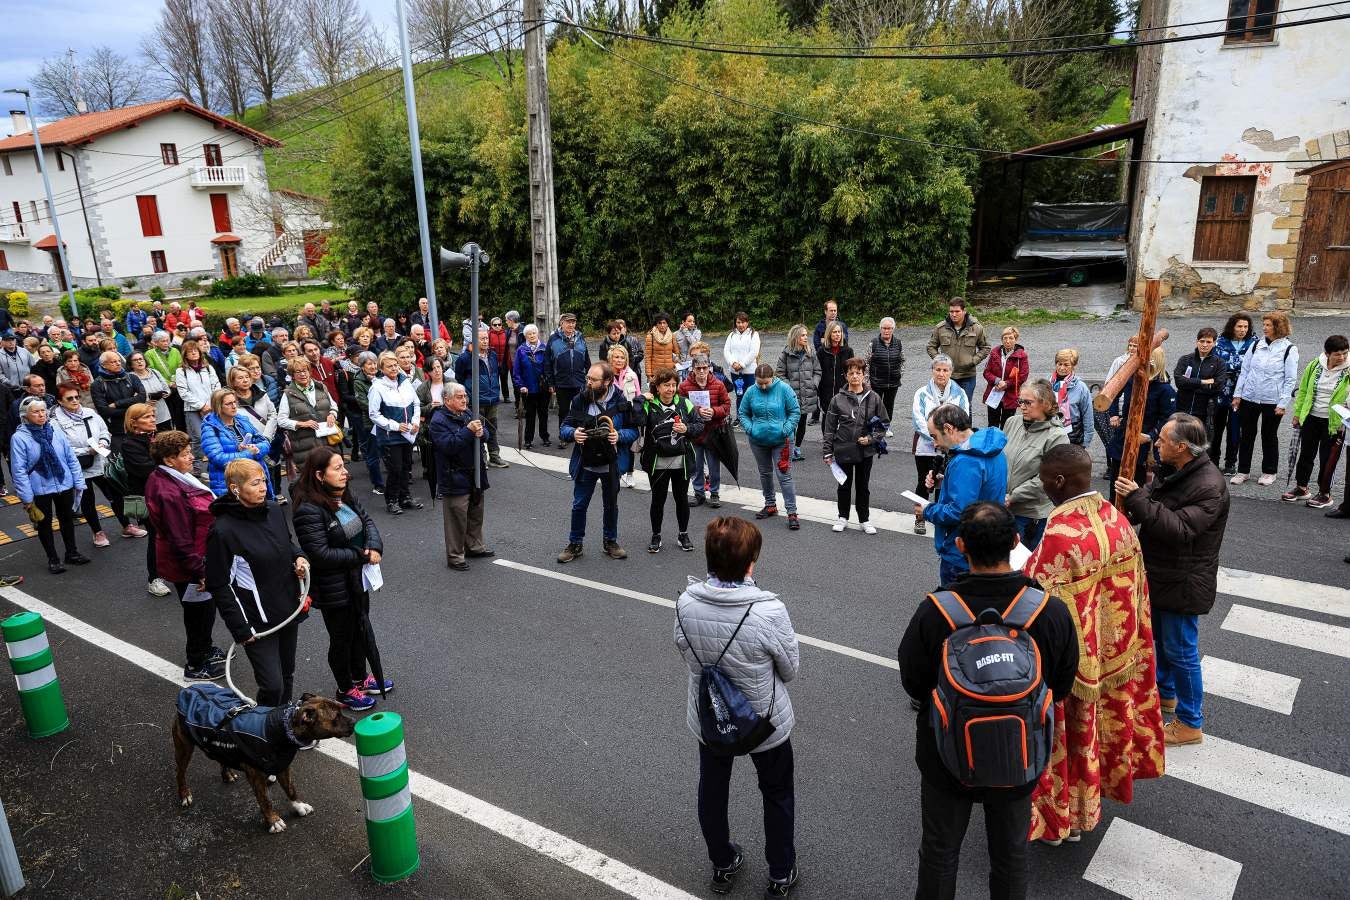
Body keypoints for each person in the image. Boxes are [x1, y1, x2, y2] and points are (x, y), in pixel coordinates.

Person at [898, 502, 1077, 900]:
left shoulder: (936, 611)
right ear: (1016, 541)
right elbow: (1061, 686)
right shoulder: (1048, 612)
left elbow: (913, 682)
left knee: (940, 853)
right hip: (1019, 753)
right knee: (1011, 856)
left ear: (960, 545)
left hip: (946, 755)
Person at [1025, 444, 1165, 844]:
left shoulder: (1060, 534)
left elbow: (1035, 594)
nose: (1043, 488)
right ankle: (1087, 811)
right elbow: (1138, 596)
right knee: (1095, 739)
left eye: (1044, 482)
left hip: (1074, 668)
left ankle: (1059, 822)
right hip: (1115, 657)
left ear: (1058, 481)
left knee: (1066, 744)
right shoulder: (1117, 519)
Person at [674, 516, 800, 899]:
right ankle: (780, 872)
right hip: (764, 720)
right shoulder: (768, 610)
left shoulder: (685, 602)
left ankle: (723, 861)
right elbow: (790, 669)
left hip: (711, 716)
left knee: (712, 789)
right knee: (776, 793)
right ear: (750, 563)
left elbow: (686, 652)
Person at [1117, 413, 1230, 746]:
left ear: (1182, 447)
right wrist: (1134, 498)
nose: (1157, 442)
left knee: (1181, 650)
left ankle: (1190, 722)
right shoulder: (1175, 469)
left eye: (1163, 440)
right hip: (1163, 572)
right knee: (1163, 644)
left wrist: (1136, 497)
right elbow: (1148, 502)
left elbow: (1179, 530)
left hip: (1185, 579)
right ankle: (1166, 695)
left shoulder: (1209, 485)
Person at [206, 459, 310, 708]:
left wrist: (299, 557)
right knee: (272, 685)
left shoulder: (274, 510)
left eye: (263, 480)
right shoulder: (223, 531)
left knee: (287, 674)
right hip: (256, 621)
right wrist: (241, 629)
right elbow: (219, 584)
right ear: (235, 489)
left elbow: (288, 544)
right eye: (255, 483)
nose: (264, 487)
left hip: (287, 608)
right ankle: (264, 730)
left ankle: (283, 726)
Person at [292, 446, 389, 710]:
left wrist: (374, 548)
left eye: (343, 466)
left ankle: (360, 677)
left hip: (357, 580)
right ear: (320, 475)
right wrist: (361, 555)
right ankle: (345, 688)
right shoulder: (308, 510)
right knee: (342, 638)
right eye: (337, 468)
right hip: (333, 587)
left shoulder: (343, 494)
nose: (345, 472)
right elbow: (320, 554)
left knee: (360, 628)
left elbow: (367, 521)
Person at [144, 430, 225, 680]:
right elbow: (180, 539)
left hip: (197, 559)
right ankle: (195, 663)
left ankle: (205, 649)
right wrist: (199, 571)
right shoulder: (169, 492)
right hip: (190, 565)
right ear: (169, 460)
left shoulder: (174, 478)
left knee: (206, 610)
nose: (192, 457)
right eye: (186, 454)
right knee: (197, 613)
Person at [917, 404, 1008, 586]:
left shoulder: (966, 461)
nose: (934, 443)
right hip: (989, 545)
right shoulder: (993, 451)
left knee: (955, 610)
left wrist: (927, 510)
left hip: (962, 552)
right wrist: (947, 482)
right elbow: (982, 488)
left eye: (934, 436)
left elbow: (959, 512)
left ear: (949, 429)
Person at [557, 362, 639, 563]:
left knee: (611, 505)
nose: (588, 383)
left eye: (593, 380)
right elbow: (564, 427)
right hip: (585, 462)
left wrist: (618, 436)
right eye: (588, 378)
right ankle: (575, 544)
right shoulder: (580, 400)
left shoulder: (621, 402)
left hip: (611, 463)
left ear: (607, 382)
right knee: (579, 505)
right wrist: (573, 433)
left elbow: (634, 432)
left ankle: (610, 541)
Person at [52, 383, 138, 546]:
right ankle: (97, 533)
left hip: (101, 461)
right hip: (80, 466)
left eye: (77, 397)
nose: (75, 401)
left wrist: (103, 442)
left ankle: (127, 525)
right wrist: (86, 450)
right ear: (60, 401)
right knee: (87, 499)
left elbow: (104, 430)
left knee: (116, 495)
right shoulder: (55, 421)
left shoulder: (89, 412)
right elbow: (60, 446)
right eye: (69, 398)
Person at [12, 396, 90, 575]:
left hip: (63, 483)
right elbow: (19, 470)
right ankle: (53, 559)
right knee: (44, 524)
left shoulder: (55, 429)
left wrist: (78, 481)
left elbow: (70, 457)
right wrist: (27, 497)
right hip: (39, 488)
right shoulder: (19, 438)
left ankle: (72, 552)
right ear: (25, 416)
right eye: (36, 412)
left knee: (67, 519)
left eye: (43, 411)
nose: (41, 415)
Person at [1231, 311, 1299, 487]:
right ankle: (1243, 470)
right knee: (1246, 434)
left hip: (1272, 400)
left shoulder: (1289, 349)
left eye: (1269, 325)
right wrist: (1238, 394)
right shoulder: (1255, 345)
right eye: (1265, 325)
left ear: (1278, 327)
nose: (1265, 328)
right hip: (1250, 397)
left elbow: (1290, 379)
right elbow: (1245, 371)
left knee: (1269, 435)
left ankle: (1269, 471)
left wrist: (1283, 403)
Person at [430, 382, 493, 571]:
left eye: (465, 395)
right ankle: (455, 556)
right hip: (454, 476)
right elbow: (449, 445)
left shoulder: (467, 414)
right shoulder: (438, 420)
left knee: (476, 513)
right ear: (447, 400)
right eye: (459, 397)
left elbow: (486, 434)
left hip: (475, 474)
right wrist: (469, 431)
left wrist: (482, 433)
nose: (464, 399)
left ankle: (474, 546)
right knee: (457, 519)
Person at [639, 368, 703, 553]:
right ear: (657, 387)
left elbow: (699, 425)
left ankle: (683, 534)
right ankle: (656, 535)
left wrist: (687, 429)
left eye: (674, 385)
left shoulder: (684, 403)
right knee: (657, 500)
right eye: (666, 385)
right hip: (657, 462)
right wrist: (641, 399)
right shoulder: (649, 405)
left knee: (681, 499)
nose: (671, 389)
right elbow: (635, 419)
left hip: (681, 462)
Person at [822, 357, 887, 535]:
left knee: (863, 485)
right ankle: (842, 517)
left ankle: (864, 519)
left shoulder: (873, 398)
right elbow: (828, 428)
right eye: (851, 373)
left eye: (858, 372)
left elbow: (884, 424)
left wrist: (871, 438)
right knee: (843, 484)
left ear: (864, 375)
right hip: (843, 449)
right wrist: (827, 452)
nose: (855, 376)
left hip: (865, 451)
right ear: (845, 376)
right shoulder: (837, 400)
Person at [1283, 335, 1350, 508]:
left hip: (1334, 421)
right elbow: (1304, 390)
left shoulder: (1348, 371)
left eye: (1345, 353)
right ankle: (1302, 488)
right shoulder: (1314, 365)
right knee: (1306, 454)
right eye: (1337, 354)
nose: (1341, 357)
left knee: (1327, 459)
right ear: (1327, 353)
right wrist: (1298, 414)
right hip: (1311, 417)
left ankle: (1325, 493)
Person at [1002, 380, 1069, 551]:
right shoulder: (1012, 422)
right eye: (1020, 401)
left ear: (1045, 404)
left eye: (1028, 402)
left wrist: (1013, 496)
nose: (1022, 406)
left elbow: (1048, 479)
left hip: (1030, 516)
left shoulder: (1057, 437)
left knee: (1025, 568)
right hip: (1004, 508)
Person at [1106, 348, 1176, 501]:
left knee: (1137, 487)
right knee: (1116, 483)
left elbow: (1168, 418)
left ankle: (1133, 517)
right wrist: (1114, 414)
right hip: (1124, 437)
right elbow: (1113, 392)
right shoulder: (1131, 378)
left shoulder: (1165, 389)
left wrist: (1151, 435)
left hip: (1145, 444)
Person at [910, 356, 969, 536]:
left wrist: (948, 440)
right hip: (926, 446)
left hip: (951, 447)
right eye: (938, 370)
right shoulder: (921, 393)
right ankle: (919, 518)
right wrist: (935, 438)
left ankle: (938, 516)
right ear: (932, 371)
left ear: (951, 372)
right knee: (924, 482)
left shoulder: (960, 393)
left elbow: (964, 418)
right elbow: (918, 419)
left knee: (944, 483)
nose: (941, 373)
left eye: (945, 370)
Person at [739, 363, 802, 531]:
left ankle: (792, 512)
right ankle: (770, 504)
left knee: (784, 476)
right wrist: (750, 429)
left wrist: (786, 429)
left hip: (782, 440)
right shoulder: (751, 391)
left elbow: (795, 411)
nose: (764, 386)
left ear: (772, 378)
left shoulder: (784, 389)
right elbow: (742, 413)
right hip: (758, 440)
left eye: (766, 382)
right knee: (765, 473)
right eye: (760, 383)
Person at [123, 403, 170, 596]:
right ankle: (154, 579)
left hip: (169, 494)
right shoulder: (129, 444)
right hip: (150, 498)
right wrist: (169, 463)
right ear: (134, 423)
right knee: (157, 537)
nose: (153, 419)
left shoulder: (157, 438)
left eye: (153, 415)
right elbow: (148, 469)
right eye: (147, 417)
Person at [368, 352, 422, 515]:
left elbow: (416, 403)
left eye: (395, 365)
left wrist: (415, 422)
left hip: (408, 434)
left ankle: (405, 497)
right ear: (382, 369)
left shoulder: (405, 382)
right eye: (390, 366)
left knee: (406, 467)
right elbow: (374, 414)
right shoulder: (377, 387)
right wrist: (395, 426)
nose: (394, 368)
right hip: (390, 436)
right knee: (395, 469)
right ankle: (392, 501)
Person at [680, 353, 731, 508]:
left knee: (714, 466)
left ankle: (714, 493)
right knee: (696, 465)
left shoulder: (719, 384)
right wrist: (697, 410)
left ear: (709, 368)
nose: (701, 371)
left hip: (713, 432)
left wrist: (714, 411)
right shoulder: (684, 386)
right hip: (695, 432)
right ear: (693, 369)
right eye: (698, 368)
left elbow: (727, 406)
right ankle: (698, 493)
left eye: (704, 368)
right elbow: (680, 407)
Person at [200, 388, 271, 497]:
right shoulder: (210, 428)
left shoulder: (242, 420)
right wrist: (248, 453)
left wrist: (256, 449)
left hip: (254, 477)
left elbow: (264, 442)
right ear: (218, 406)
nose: (234, 406)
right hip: (230, 482)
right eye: (228, 404)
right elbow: (217, 458)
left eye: (234, 402)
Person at [455, 327, 508, 469]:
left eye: (486, 338)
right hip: (475, 401)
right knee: (478, 430)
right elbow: (459, 379)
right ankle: (481, 458)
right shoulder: (465, 358)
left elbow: (495, 375)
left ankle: (494, 456)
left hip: (492, 399)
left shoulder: (493, 355)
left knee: (493, 429)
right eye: (482, 339)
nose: (485, 341)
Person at [278, 356, 339, 478]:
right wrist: (302, 424)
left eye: (305, 370)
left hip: (327, 441)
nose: (302, 374)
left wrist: (332, 414)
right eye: (298, 372)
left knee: (332, 475)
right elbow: (281, 421)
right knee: (313, 479)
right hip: (305, 445)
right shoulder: (288, 394)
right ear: (292, 375)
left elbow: (334, 405)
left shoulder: (321, 387)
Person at [1211, 313, 1256, 473]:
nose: (1243, 330)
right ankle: (1212, 462)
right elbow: (1214, 364)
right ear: (1232, 327)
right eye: (1239, 326)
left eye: (1245, 327)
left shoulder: (1254, 344)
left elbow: (1255, 368)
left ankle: (1230, 463)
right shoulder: (1220, 342)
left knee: (1235, 430)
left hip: (1242, 394)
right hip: (1220, 393)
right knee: (1216, 429)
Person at [925, 298, 990, 403]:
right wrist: (940, 361)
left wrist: (973, 361)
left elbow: (986, 347)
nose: (954, 314)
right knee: (946, 407)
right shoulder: (940, 328)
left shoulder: (976, 328)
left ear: (964, 311)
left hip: (967, 376)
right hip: (946, 376)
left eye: (957, 311)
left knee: (965, 408)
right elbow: (931, 347)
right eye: (951, 311)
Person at [1173, 328, 1227, 439]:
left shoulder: (1219, 363)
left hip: (1203, 413)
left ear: (1214, 343)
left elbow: (1217, 387)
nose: (1204, 345)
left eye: (1208, 342)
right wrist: (1203, 382)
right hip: (1182, 410)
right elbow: (1179, 382)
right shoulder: (1185, 359)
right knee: (1179, 442)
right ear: (1197, 341)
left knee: (1199, 444)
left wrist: (1189, 385)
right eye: (1202, 341)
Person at [546, 313, 590, 446]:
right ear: (561, 323)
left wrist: (590, 378)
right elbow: (547, 363)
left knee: (580, 410)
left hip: (579, 381)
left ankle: (580, 435)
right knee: (564, 411)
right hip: (562, 382)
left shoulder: (581, 338)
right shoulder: (553, 339)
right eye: (568, 322)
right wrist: (550, 382)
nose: (571, 325)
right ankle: (563, 436)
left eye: (573, 322)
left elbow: (586, 360)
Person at [775, 326, 818, 462]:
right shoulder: (786, 354)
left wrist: (813, 383)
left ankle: (797, 448)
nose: (806, 337)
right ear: (795, 337)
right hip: (791, 396)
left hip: (807, 394)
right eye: (802, 335)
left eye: (806, 335)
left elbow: (818, 371)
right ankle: (789, 448)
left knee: (803, 421)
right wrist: (789, 388)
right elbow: (779, 374)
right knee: (791, 423)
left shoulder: (811, 353)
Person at [91, 350, 147, 450]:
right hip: (117, 430)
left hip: (138, 426)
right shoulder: (97, 384)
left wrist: (117, 404)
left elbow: (142, 397)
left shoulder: (132, 377)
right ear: (103, 365)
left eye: (119, 361)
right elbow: (104, 410)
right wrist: (133, 406)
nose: (118, 363)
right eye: (113, 362)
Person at [175, 339, 220, 453]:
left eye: (196, 350)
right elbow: (183, 393)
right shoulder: (181, 371)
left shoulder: (209, 368)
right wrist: (201, 406)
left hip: (212, 408)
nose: (194, 353)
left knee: (216, 434)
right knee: (198, 438)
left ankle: (215, 460)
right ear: (185, 355)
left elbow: (216, 385)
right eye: (190, 351)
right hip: (192, 410)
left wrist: (210, 405)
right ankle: (198, 467)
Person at [607, 343, 641, 488]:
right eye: (616, 357)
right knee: (612, 443)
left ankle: (630, 473)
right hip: (611, 416)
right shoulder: (605, 375)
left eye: (622, 357)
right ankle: (614, 471)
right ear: (610, 359)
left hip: (628, 415)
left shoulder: (632, 375)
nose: (619, 360)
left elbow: (638, 395)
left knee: (629, 444)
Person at [352, 351, 386, 497]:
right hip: (370, 422)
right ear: (362, 366)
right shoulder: (358, 381)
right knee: (373, 454)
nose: (373, 366)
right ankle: (378, 484)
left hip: (385, 419)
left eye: (374, 363)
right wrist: (383, 407)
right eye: (369, 364)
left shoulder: (381, 376)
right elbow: (363, 403)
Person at [982, 326, 1028, 429]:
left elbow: (1023, 376)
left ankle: (1005, 445)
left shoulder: (1022, 356)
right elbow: (986, 372)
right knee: (992, 424)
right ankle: (992, 444)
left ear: (1016, 339)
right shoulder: (994, 353)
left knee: (1007, 426)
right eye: (1005, 338)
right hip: (994, 393)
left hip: (1010, 396)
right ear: (1002, 339)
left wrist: (1007, 384)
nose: (1007, 341)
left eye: (1011, 338)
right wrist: (997, 381)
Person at [513, 324, 551, 449]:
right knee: (530, 415)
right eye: (529, 334)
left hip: (543, 388)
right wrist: (521, 385)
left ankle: (545, 437)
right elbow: (517, 371)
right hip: (528, 389)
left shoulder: (545, 348)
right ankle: (528, 439)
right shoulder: (521, 350)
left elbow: (549, 368)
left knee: (543, 414)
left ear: (537, 334)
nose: (532, 335)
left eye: (534, 333)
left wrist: (550, 384)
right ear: (525, 336)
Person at [867, 317, 904, 433]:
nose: (886, 331)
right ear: (880, 329)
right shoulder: (873, 343)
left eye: (889, 328)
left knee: (889, 406)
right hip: (876, 381)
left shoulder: (898, 343)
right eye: (884, 328)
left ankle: (886, 427)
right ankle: (874, 426)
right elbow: (866, 362)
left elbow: (903, 360)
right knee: (875, 405)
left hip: (893, 382)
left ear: (893, 329)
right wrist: (867, 380)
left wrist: (899, 373)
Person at [1050, 349, 1094, 448]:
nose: (1061, 368)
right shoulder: (1048, 384)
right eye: (1059, 364)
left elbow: (1088, 415)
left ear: (1073, 366)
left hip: (1073, 435)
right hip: (1050, 431)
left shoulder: (1081, 387)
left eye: (1066, 365)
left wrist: (1086, 441)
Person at [723, 312, 761, 422]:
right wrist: (733, 363)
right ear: (735, 323)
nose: (741, 325)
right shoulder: (731, 335)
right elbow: (726, 351)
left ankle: (752, 417)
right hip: (735, 372)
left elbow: (754, 352)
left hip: (749, 372)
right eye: (738, 322)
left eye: (743, 322)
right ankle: (740, 417)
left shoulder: (754, 334)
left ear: (747, 322)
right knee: (739, 394)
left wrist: (742, 364)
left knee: (751, 395)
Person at [815, 321, 852, 434]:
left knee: (842, 418)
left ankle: (839, 444)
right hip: (826, 390)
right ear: (829, 334)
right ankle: (827, 444)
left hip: (842, 390)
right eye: (834, 332)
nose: (837, 334)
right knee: (827, 417)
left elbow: (851, 371)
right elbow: (817, 371)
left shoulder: (848, 351)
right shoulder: (822, 351)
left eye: (839, 332)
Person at [126, 351, 171, 433]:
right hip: (144, 417)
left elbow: (166, 388)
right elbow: (130, 397)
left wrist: (165, 393)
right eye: (135, 360)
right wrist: (144, 402)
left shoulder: (154, 372)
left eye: (141, 359)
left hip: (163, 414)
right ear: (130, 364)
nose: (139, 361)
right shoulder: (129, 378)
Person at [644, 313, 679, 384]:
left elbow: (677, 353)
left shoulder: (672, 336)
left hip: (669, 371)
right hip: (656, 372)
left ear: (667, 324)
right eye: (659, 323)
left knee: (669, 392)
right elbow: (648, 357)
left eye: (664, 323)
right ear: (656, 324)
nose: (662, 325)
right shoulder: (651, 336)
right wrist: (649, 375)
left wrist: (673, 365)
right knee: (655, 393)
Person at [675, 312, 701, 378]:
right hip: (681, 365)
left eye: (693, 321)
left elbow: (694, 344)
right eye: (689, 321)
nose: (692, 323)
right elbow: (672, 349)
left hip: (694, 364)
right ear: (683, 322)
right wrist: (676, 358)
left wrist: (685, 331)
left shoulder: (697, 332)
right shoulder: (676, 334)